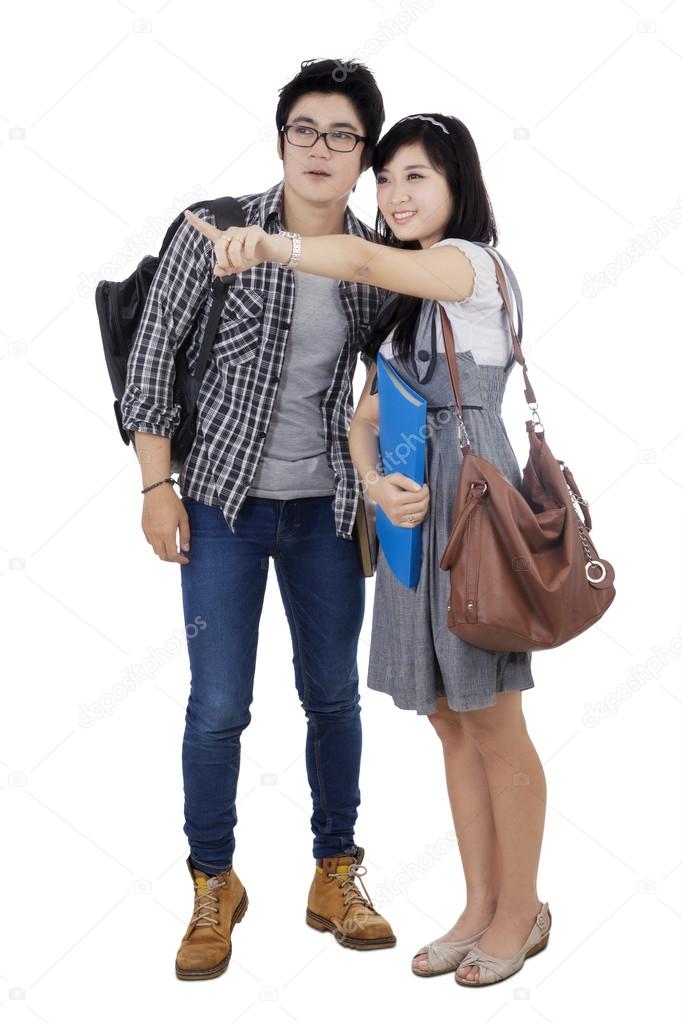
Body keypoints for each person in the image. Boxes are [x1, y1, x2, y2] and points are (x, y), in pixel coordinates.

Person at [185, 110, 551, 988]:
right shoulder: (403, 304)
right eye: (385, 180)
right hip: (412, 517)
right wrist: (376, 481)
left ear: (457, 185)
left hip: (474, 505)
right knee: (448, 720)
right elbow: (364, 421)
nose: (393, 195)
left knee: (495, 721)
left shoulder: (470, 267)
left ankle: (522, 909)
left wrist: (270, 247)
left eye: (414, 177)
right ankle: (477, 904)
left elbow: (354, 256)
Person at [120, 59, 398, 982]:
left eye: (343, 135)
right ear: (281, 138)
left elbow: (384, 384)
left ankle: (335, 871)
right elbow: (152, 362)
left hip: (326, 509)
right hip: (220, 503)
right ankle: (212, 881)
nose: (321, 148)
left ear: (363, 158)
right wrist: (156, 489)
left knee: (333, 697)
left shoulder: (370, 260)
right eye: (305, 129)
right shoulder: (218, 229)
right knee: (218, 704)